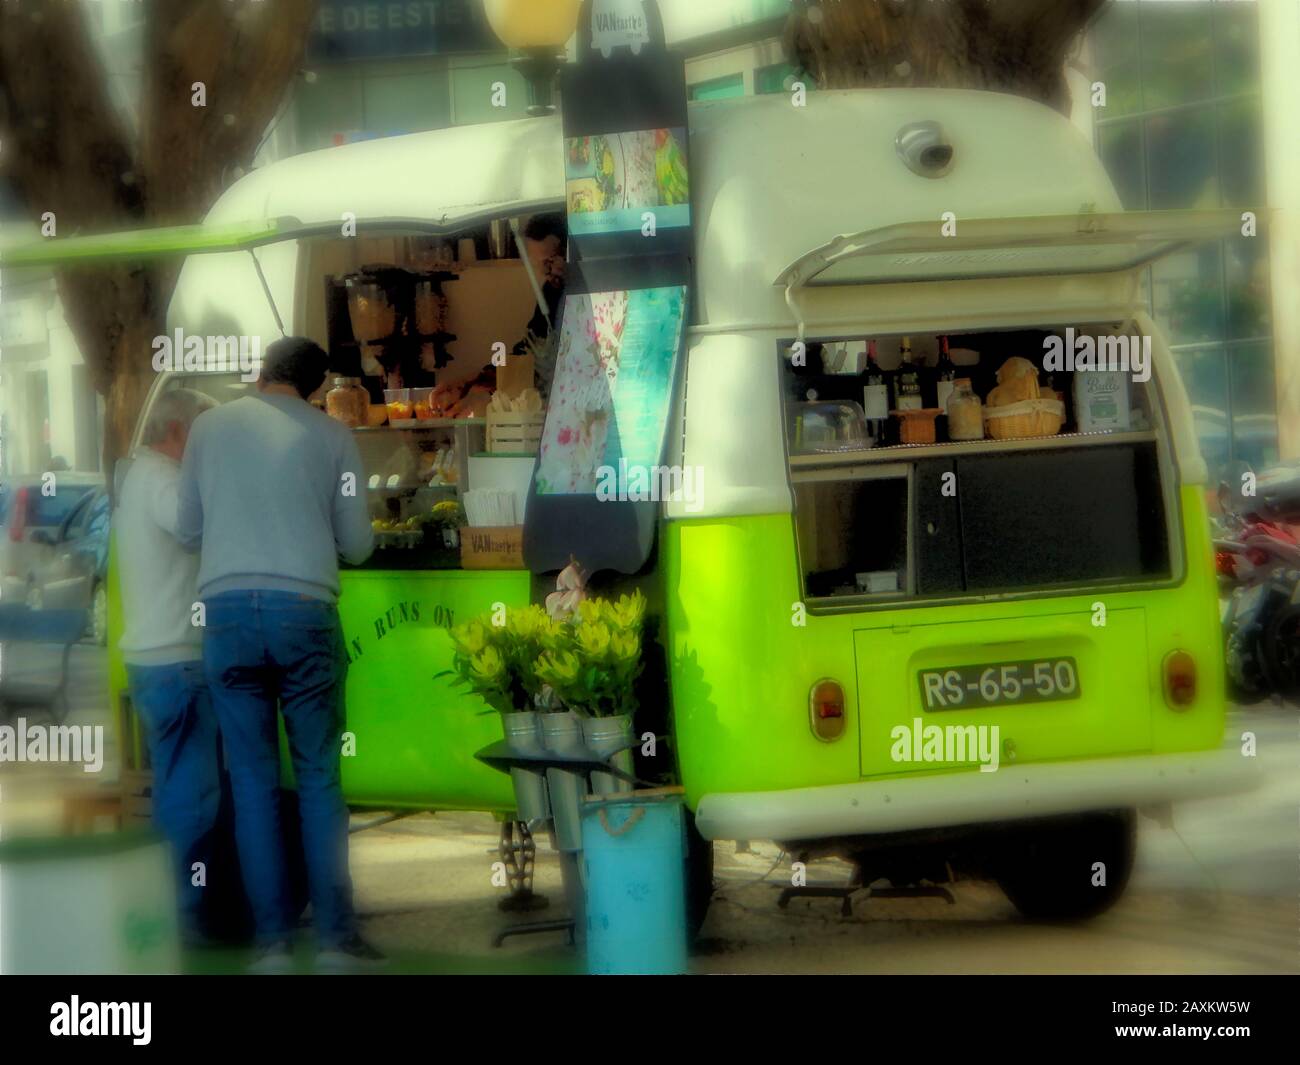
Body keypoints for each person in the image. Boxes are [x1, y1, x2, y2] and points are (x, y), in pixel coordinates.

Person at [177, 337, 377, 971]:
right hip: (304, 612)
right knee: (319, 779)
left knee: (254, 783)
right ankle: (335, 944)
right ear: (316, 388)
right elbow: (361, 545)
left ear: (261, 373)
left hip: (227, 614)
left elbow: (186, 529)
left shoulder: (207, 429)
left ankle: (270, 947)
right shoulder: (333, 435)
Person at [117, 387, 223, 945]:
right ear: (178, 432)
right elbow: (190, 527)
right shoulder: (161, 480)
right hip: (176, 659)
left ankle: (166, 907)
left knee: (178, 789)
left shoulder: (140, 478)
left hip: (157, 661)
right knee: (194, 797)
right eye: (202, 436)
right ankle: (178, 916)